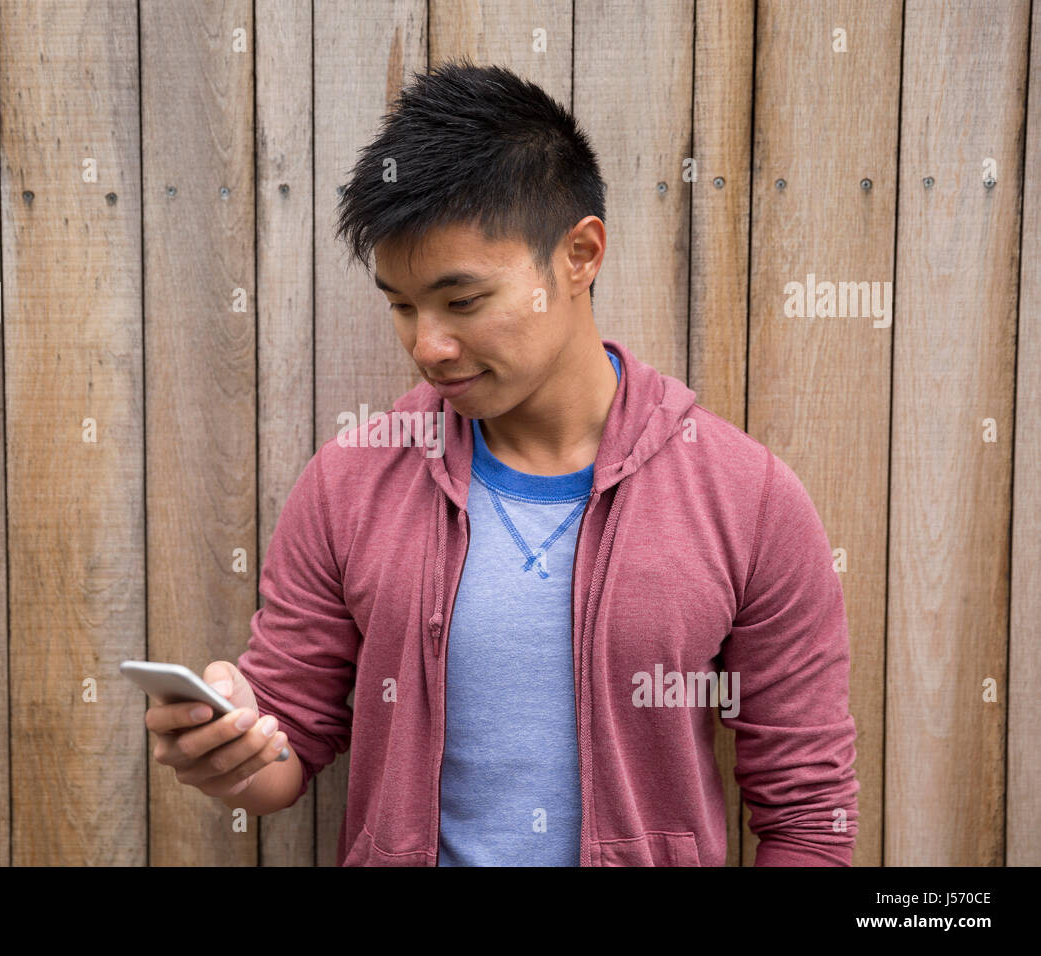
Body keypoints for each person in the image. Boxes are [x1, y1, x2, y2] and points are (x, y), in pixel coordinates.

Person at [144, 59, 859, 866]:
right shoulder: (350, 481)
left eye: (463, 301)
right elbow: (288, 744)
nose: (428, 346)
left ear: (580, 254)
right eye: (402, 305)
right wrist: (229, 751)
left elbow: (810, 816)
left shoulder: (745, 498)